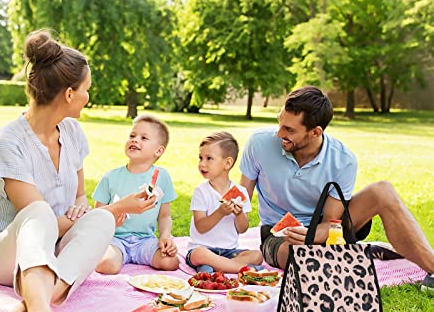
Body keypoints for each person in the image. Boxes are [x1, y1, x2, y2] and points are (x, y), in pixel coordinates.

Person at [0, 29, 156, 312]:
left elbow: (79, 198)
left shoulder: (73, 133)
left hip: (56, 250)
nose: (89, 96)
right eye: (86, 90)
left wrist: (95, 212)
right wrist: (117, 208)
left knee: (102, 222)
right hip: (7, 255)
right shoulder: (8, 142)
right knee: (42, 211)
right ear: (70, 93)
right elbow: (37, 220)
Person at [239, 85, 434, 294]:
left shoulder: (342, 160)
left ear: (315, 132)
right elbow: (241, 200)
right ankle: (355, 254)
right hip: (279, 235)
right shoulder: (258, 144)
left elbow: (331, 224)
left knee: (382, 191)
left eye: (290, 130)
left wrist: (311, 236)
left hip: (327, 231)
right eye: (280, 123)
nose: (279, 133)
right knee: (300, 259)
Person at [92, 114, 179, 274]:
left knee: (171, 262)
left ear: (158, 151)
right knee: (106, 265)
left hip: (145, 241)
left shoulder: (162, 177)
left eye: (144, 138)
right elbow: (97, 215)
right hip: (115, 240)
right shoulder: (110, 177)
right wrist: (112, 220)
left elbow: (164, 216)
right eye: (132, 135)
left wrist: (166, 236)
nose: (135, 140)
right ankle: (113, 256)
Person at [186, 132, 263, 274]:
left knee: (257, 255)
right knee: (200, 254)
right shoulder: (201, 191)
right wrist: (220, 212)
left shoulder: (240, 191)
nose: (202, 163)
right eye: (200, 158)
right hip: (203, 249)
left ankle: (219, 267)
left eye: (209, 158)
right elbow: (201, 227)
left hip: (229, 251)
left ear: (227, 163)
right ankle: (242, 269)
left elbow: (242, 229)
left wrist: (239, 214)